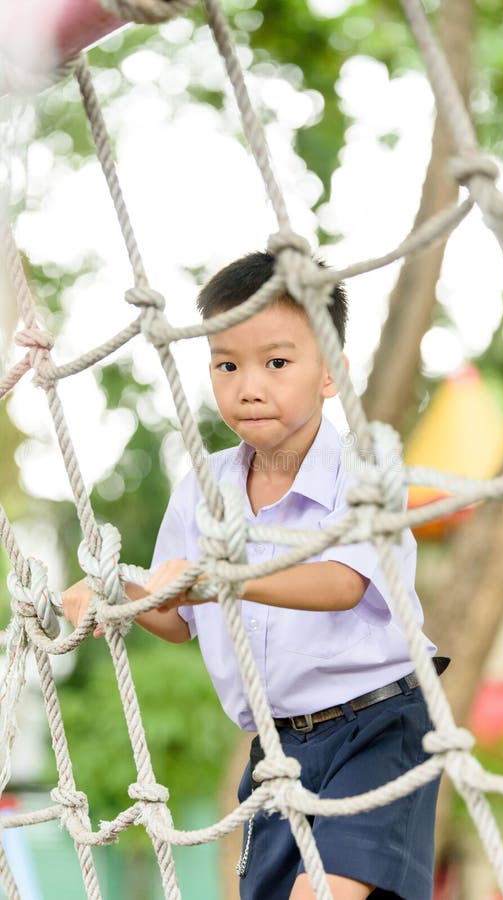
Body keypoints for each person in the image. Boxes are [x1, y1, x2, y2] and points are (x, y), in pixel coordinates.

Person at [63, 251, 446, 900]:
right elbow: (176, 614)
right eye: (226, 365)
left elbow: (341, 584)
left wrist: (225, 578)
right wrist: (114, 595)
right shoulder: (206, 488)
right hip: (276, 749)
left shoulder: (362, 467)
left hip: (379, 726)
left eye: (276, 363)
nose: (249, 386)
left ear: (330, 374)